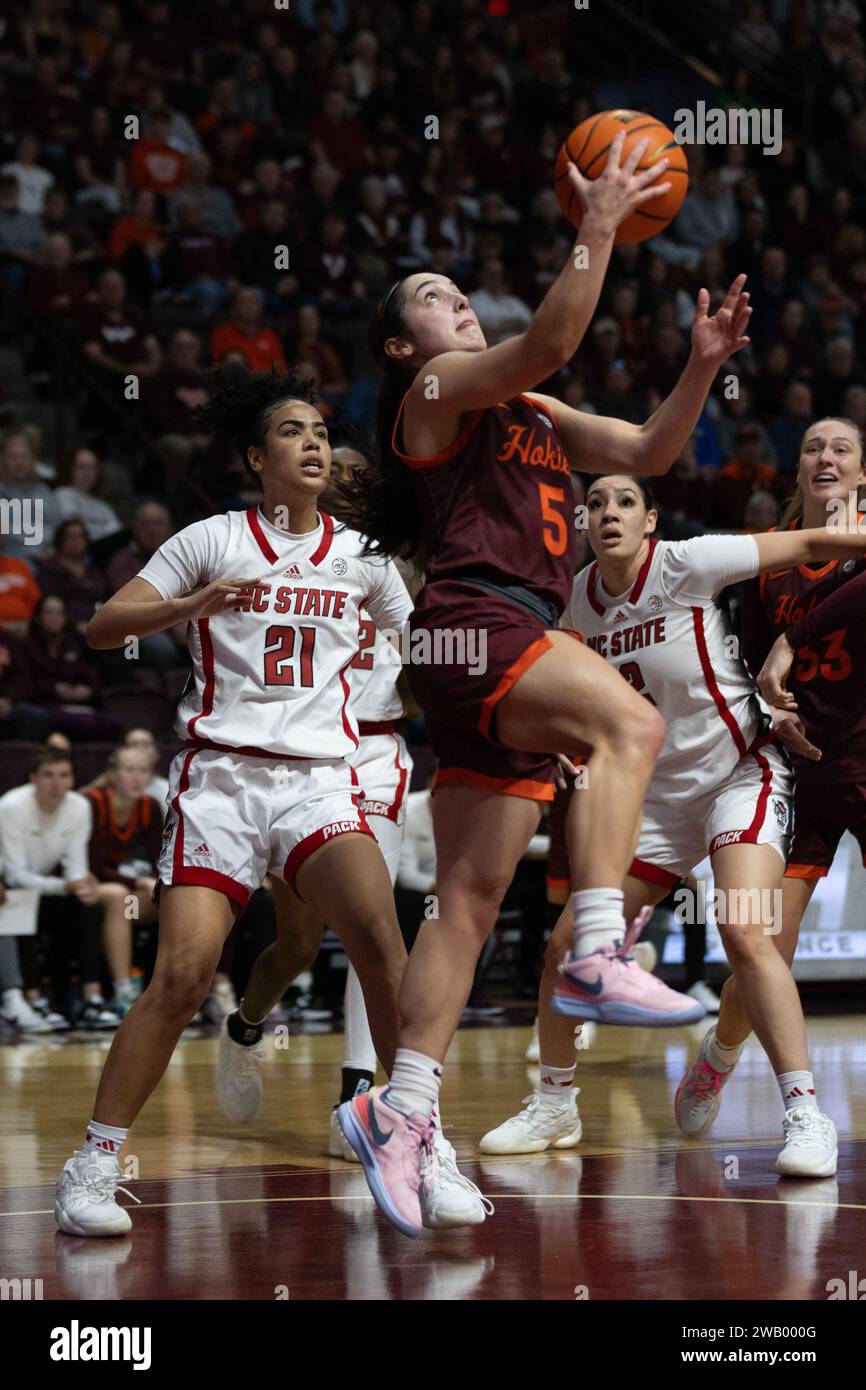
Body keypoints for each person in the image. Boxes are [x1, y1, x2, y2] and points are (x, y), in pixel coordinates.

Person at [335, 133, 751, 1237]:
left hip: (491, 643)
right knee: (630, 718)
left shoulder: (528, 414)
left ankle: (403, 1110)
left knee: (466, 905)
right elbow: (555, 335)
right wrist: (599, 221)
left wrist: (702, 361)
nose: (456, 303)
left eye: (458, 291)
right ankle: (598, 951)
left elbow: (648, 453)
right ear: (399, 340)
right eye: (433, 296)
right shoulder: (430, 392)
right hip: (478, 621)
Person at [54, 366, 433, 1239]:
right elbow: (104, 625)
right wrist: (191, 605)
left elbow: (426, 665)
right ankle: (93, 1165)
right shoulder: (210, 539)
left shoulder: (363, 559)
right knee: (183, 977)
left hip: (315, 780)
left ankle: (418, 1136)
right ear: (256, 457)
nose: (313, 445)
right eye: (293, 433)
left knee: (381, 939)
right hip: (219, 779)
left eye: (320, 432)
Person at [483, 473, 865, 1175]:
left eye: (625, 501)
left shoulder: (686, 563)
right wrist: (561, 741)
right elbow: (554, 691)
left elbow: (807, 539)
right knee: (568, 944)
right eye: (594, 503)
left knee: (747, 932)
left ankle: (805, 1116)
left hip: (737, 776)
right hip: (652, 801)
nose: (608, 513)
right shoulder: (571, 603)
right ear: (582, 523)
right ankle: (555, 1102)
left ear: (650, 519)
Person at [212, 433, 485, 1223]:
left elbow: (437, 674)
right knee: (299, 944)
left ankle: (366, 1090)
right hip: (296, 756)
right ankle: (246, 1023)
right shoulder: (287, 558)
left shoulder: (408, 575)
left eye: (362, 477)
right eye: (341, 474)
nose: (347, 484)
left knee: (376, 929)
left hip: (374, 754)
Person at [0, 749, 120, 1032]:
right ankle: (32, 997)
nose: (56, 783)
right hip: (17, 890)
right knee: (22, 903)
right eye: (48, 775)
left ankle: (94, 998)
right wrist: (64, 885)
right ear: (33, 779)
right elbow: (15, 875)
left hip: (63, 890)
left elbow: (76, 864)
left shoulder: (79, 806)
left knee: (92, 902)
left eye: (64, 775)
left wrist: (81, 883)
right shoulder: (11, 807)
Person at [85, 745, 163, 1015]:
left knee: (176, 901)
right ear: (112, 774)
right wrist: (139, 882)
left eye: (143, 771)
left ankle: (171, 989)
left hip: (130, 891)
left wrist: (149, 882)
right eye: (129, 770)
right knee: (120, 897)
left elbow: (158, 859)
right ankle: (122, 990)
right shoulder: (92, 802)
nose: (137, 778)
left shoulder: (150, 806)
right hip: (91, 886)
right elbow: (93, 865)